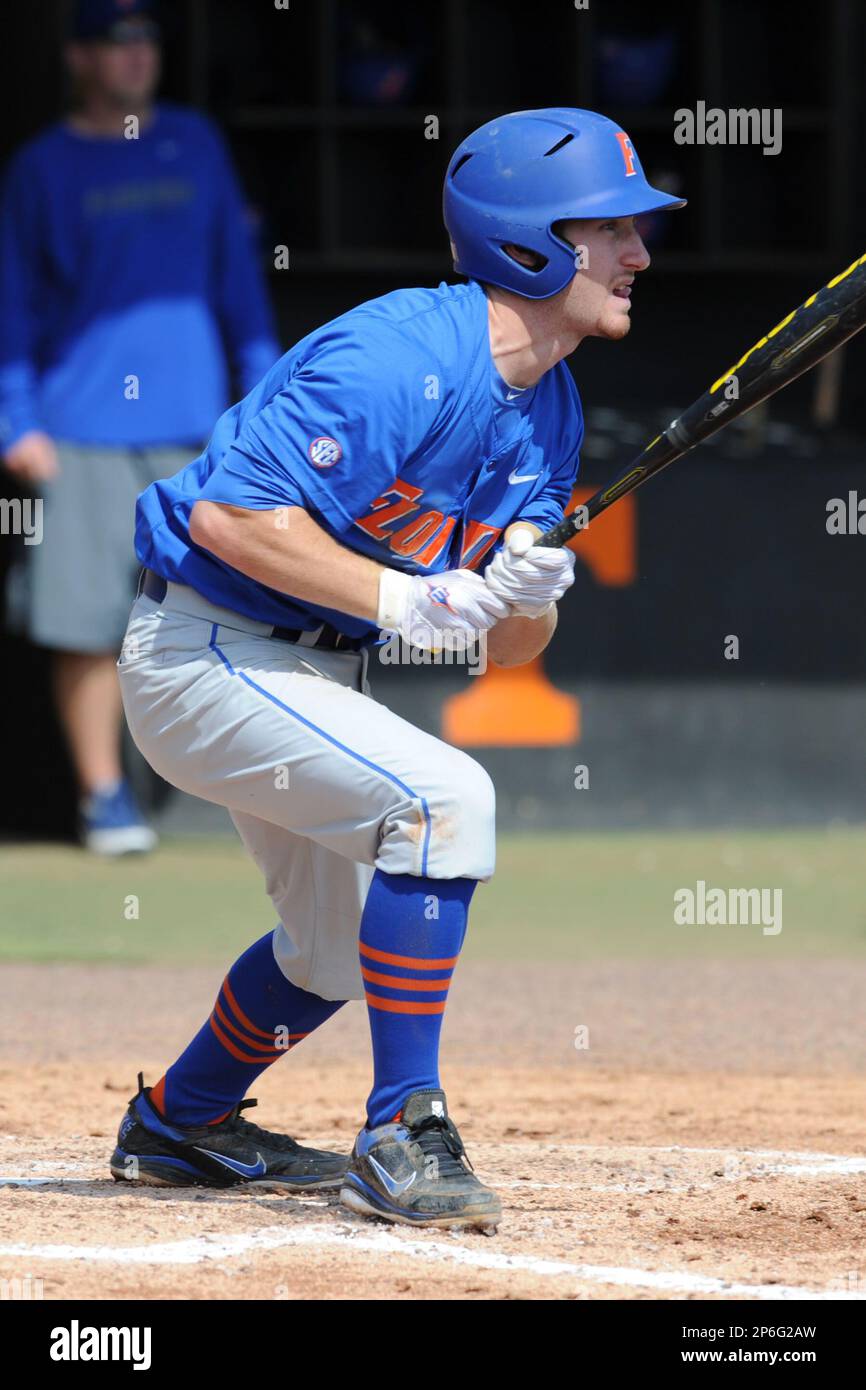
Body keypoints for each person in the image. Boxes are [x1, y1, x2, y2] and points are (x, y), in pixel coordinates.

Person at [109, 109, 685, 1230]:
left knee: (325, 954)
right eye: (611, 229)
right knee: (444, 798)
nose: (637, 255)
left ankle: (180, 1120)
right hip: (202, 649)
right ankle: (401, 1127)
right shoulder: (398, 355)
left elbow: (507, 648)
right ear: (527, 241)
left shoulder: (547, 404)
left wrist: (521, 599)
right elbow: (232, 517)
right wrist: (403, 598)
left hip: (307, 673)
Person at [0, 0, 278, 854]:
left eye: (146, 41)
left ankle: (244, 796)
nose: (136, 58)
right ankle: (104, 800)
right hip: (79, 429)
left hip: (200, 425)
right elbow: (12, 302)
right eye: (116, 44)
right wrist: (17, 418)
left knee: (227, 615)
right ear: (79, 57)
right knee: (85, 624)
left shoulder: (196, 143)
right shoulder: (39, 167)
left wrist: (265, 391)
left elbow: (237, 281)